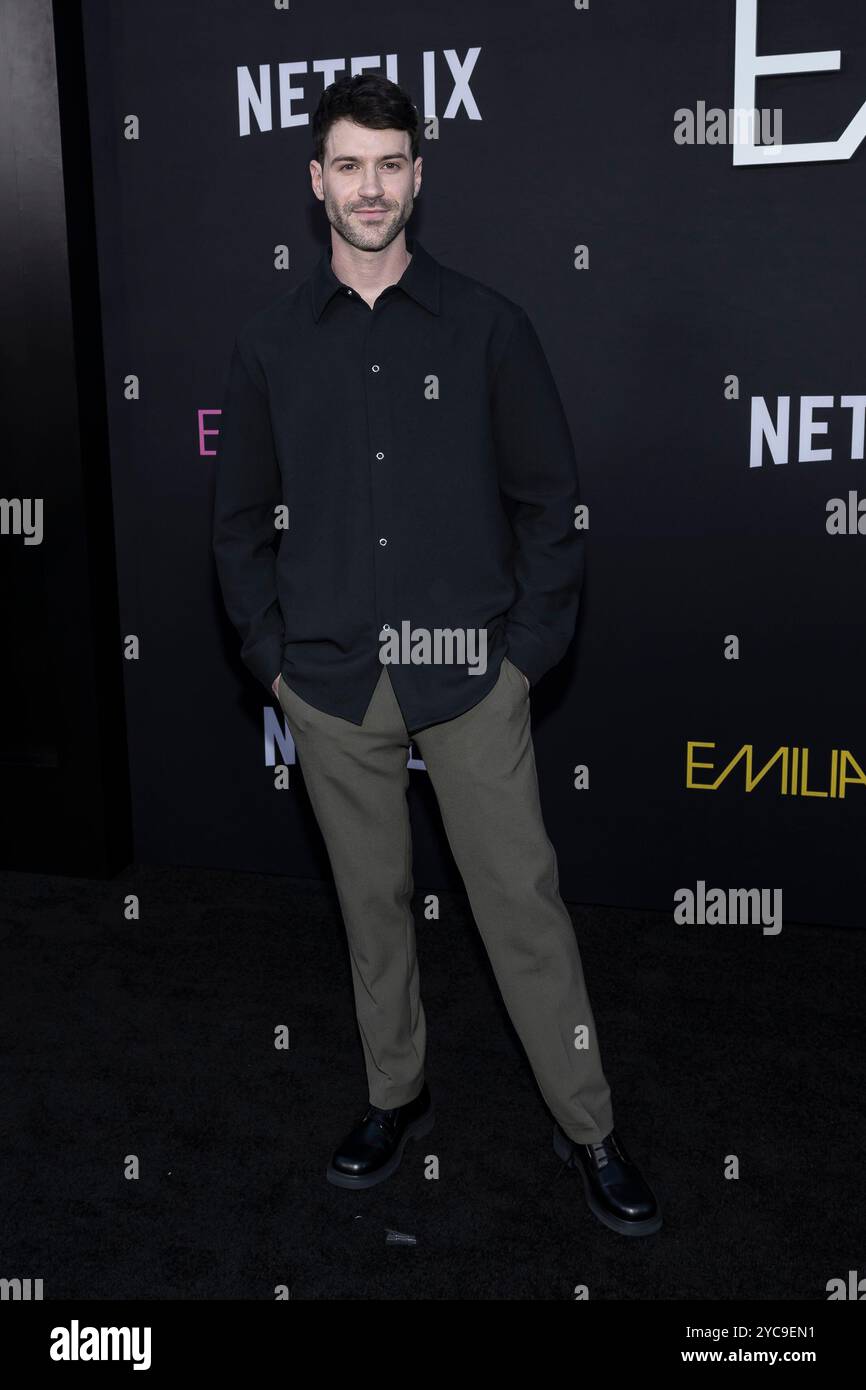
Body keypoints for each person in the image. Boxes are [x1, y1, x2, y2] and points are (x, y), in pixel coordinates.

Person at [212, 72, 662, 1237]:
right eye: (347, 165)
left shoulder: (487, 326)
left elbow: (551, 508)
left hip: (471, 679)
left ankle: (587, 1126)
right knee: (371, 909)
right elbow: (237, 519)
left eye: (391, 163)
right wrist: (271, 660)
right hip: (324, 682)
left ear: (419, 175)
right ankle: (392, 1095)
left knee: (520, 905)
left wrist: (520, 660)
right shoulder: (268, 342)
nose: (370, 186)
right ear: (316, 184)